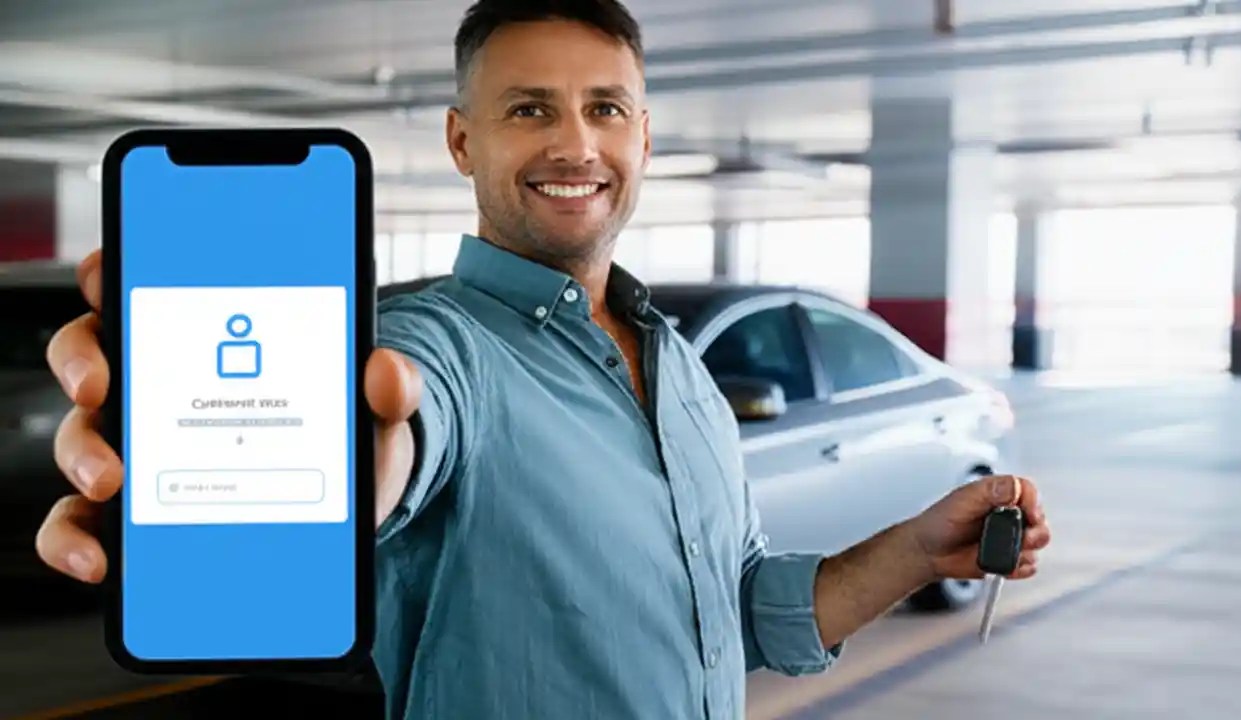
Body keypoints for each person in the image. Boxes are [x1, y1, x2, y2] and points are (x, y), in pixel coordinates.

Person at [35, 1, 1052, 718]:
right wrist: (313, 466)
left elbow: (738, 610)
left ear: (643, 137)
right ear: (460, 141)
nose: (575, 144)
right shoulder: (438, 348)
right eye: (528, 109)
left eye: (603, 108)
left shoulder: (681, 370)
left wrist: (917, 549)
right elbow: (397, 426)